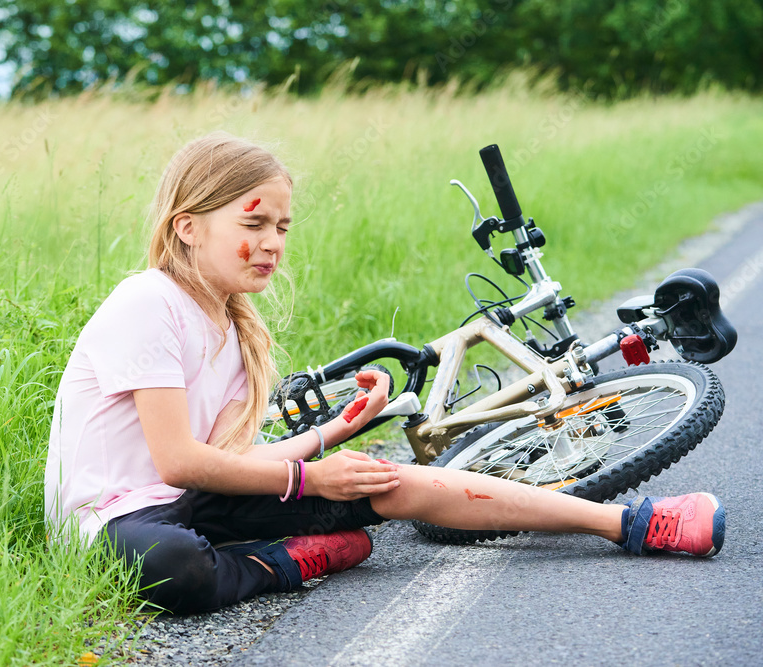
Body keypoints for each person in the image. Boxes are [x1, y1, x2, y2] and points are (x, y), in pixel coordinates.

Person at [44, 132, 726, 615]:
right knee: (172, 565)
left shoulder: (234, 327)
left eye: (283, 226)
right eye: (254, 223)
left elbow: (229, 464)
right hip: (113, 523)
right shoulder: (148, 301)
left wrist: (340, 431)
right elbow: (178, 459)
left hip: (196, 504)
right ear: (188, 226)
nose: (273, 244)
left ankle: (625, 521)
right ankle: (278, 563)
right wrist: (312, 476)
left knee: (390, 478)